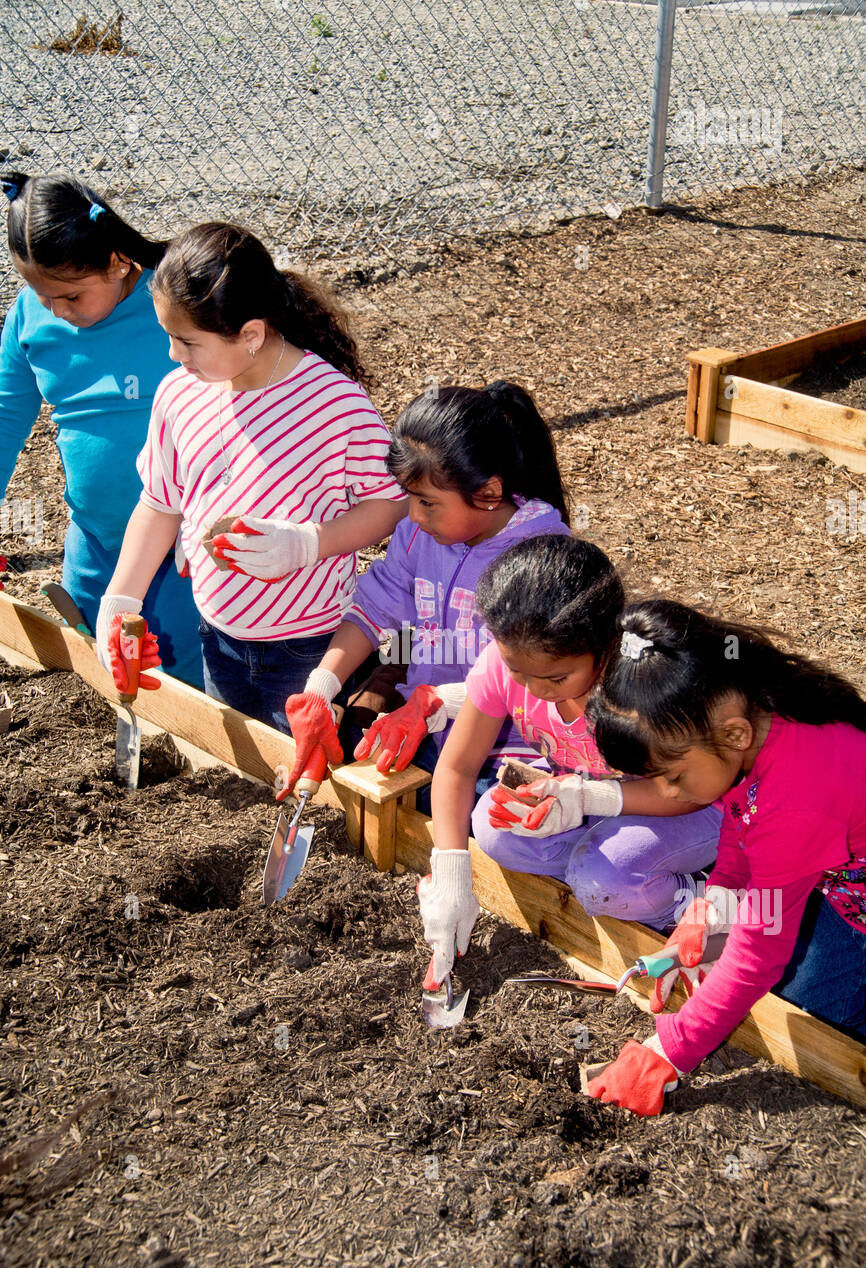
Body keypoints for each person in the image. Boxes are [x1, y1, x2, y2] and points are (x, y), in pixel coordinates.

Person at [95, 222, 407, 726]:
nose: (174, 356)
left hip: (308, 650)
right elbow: (159, 503)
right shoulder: (179, 394)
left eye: (188, 342)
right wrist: (120, 599)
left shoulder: (333, 404)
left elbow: (391, 503)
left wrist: (307, 543)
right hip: (216, 636)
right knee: (245, 776)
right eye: (170, 338)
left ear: (252, 335)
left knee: (308, 777)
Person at [582, 599, 866, 1116]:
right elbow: (741, 820)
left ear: (732, 734)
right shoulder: (754, 726)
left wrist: (669, 1048)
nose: (668, 795)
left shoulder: (799, 793)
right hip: (836, 880)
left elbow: (760, 950)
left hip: (849, 894)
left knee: (820, 1014)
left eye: (672, 775)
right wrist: (715, 906)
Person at [418, 537, 723, 991]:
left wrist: (586, 798)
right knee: (494, 825)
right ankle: (617, 883)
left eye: (557, 677)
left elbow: (695, 790)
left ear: (605, 647)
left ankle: (692, 901)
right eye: (516, 670)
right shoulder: (506, 666)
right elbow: (458, 768)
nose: (534, 688)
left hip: (695, 808)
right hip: (604, 802)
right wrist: (450, 869)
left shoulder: (641, 688)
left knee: (602, 875)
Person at [279, 381, 573, 804]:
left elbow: (524, 679)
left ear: (488, 494)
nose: (412, 515)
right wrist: (321, 687)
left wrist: (434, 702)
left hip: (503, 754)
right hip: (425, 733)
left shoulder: (542, 559)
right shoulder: (418, 536)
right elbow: (373, 609)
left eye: (427, 501)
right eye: (408, 497)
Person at [0, 170, 202, 684]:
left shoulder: (178, 307)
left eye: (70, 296)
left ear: (117, 262)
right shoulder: (32, 317)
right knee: (98, 678)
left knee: (191, 696)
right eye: (40, 294)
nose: (56, 312)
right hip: (95, 549)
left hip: (186, 555)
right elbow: (4, 419)